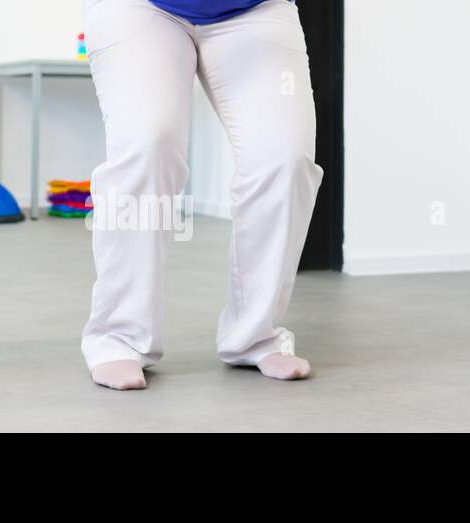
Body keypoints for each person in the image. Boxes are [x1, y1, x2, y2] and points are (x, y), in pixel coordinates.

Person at [82, 0, 324, 390]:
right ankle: (119, 337)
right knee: (147, 145)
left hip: (255, 8)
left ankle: (255, 334)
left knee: (286, 158)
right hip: (136, 7)